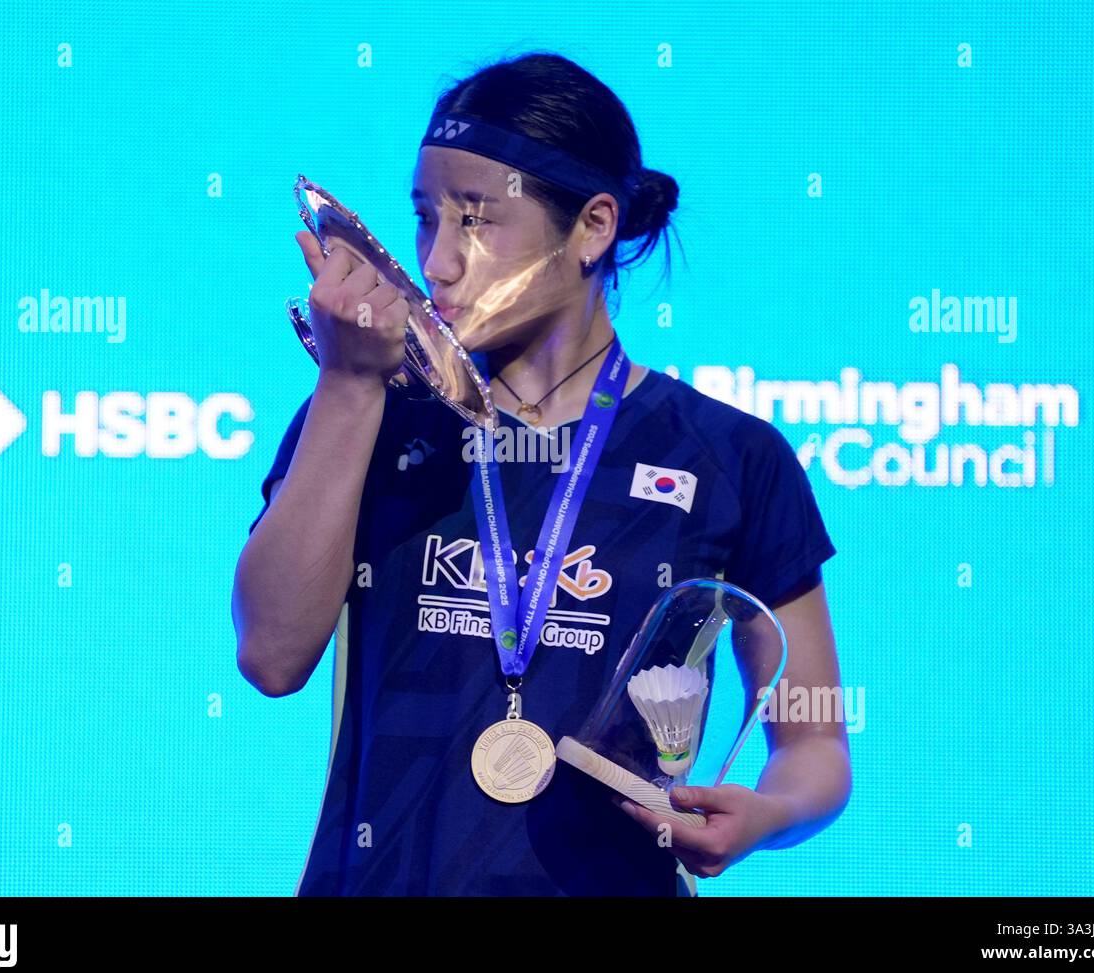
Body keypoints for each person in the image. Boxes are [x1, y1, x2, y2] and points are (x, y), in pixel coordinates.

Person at [232, 51, 851, 896]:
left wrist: (769, 814)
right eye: (425, 218)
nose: (437, 260)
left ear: (593, 228)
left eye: (476, 220)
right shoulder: (371, 415)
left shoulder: (729, 457)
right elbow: (270, 656)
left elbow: (813, 741)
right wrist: (346, 385)